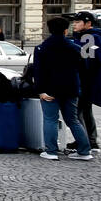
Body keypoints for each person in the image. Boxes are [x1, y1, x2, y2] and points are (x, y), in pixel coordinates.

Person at [32, 16, 92, 160]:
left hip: (50, 89)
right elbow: (84, 69)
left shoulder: (41, 48)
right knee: (73, 120)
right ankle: (85, 151)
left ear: (49, 30)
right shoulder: (76, 48)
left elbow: (38, 72)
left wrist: (40, 91)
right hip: (71, 88)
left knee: (50, 119)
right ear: (66, 31)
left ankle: (51, 151)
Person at [70, 11, 101, 154]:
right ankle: (90, 140)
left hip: (85, 82)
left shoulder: (89, 37)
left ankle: (85, 140)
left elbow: (86, 62)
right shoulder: (87, 37)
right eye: (74, 22)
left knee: (78, 112)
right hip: (87, 81)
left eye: (78, 22)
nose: (74, 24)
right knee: (85, 111)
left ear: (88, 24)